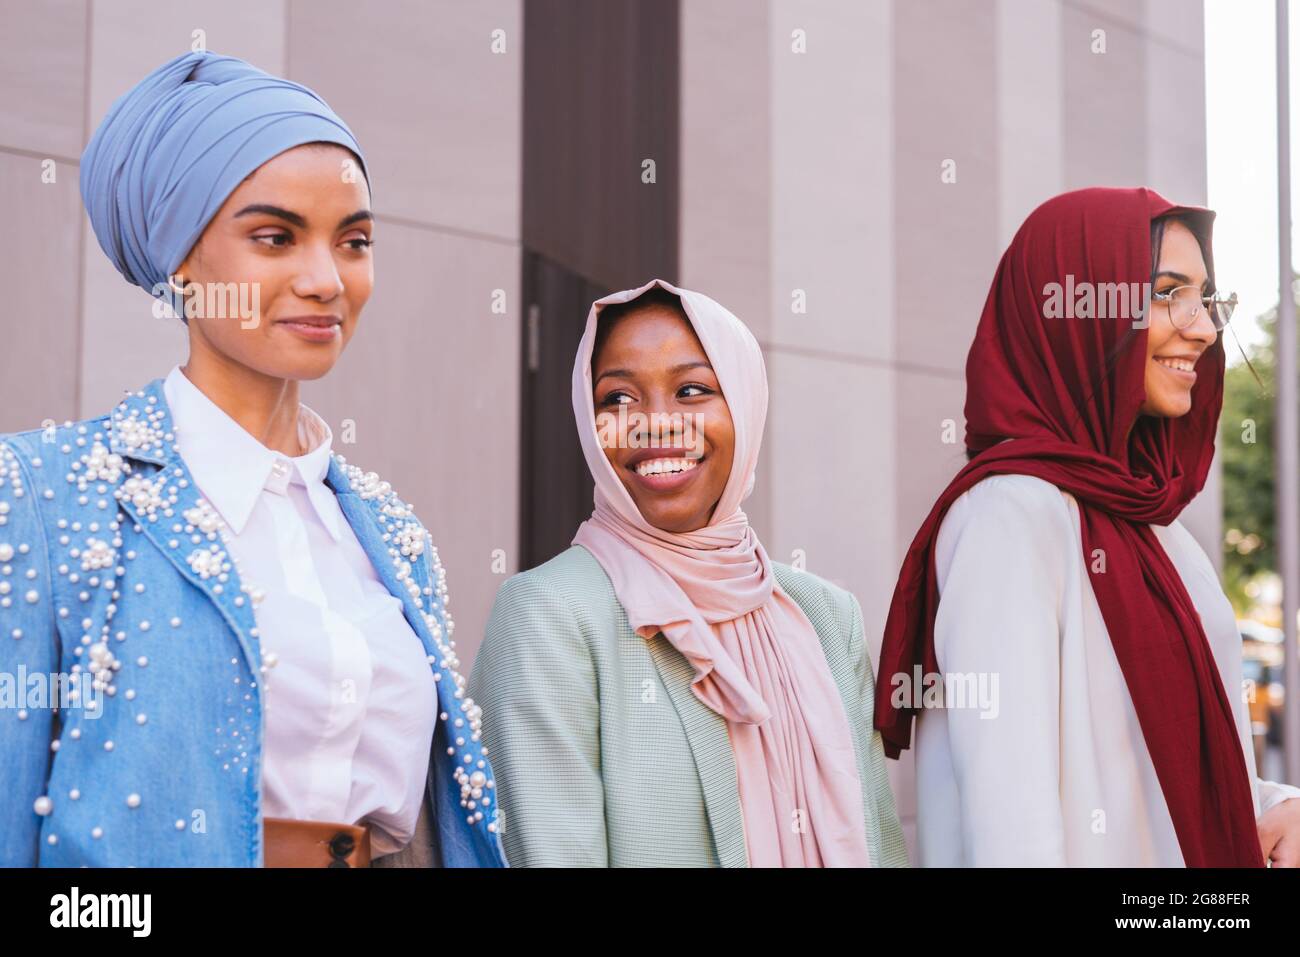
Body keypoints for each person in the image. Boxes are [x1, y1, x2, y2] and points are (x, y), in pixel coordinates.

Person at [0, 50, 503, 867]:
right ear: (181, 259)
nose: (324, 280)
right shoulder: (42, 493)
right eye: (275, 238)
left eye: (354, 241)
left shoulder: (390, 531)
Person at [875, 186, 1300, 866]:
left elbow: (1167, 776)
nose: (1203, 328)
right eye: (1167, 293)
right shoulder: (1007, 520)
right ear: (1075, 310)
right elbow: (1014, 838)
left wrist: (1270, 804)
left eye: (1204, 297)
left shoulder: (1158, 531)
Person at [470, 279, 907, 867]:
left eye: (693, 389)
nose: (656, 423)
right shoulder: (548, 612)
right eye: (618, 399)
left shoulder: (827, 616)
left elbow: (883, 845)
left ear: (746, 405)